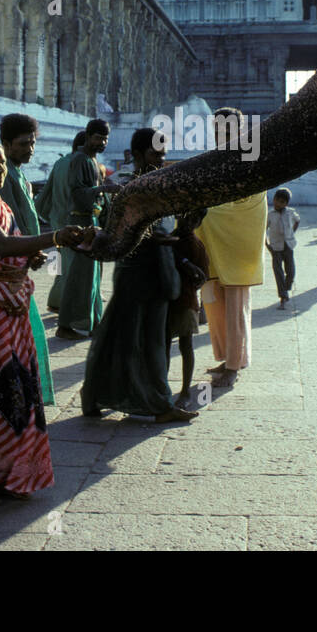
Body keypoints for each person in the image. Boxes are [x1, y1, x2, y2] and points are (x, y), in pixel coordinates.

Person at [0, 138, 87, 505]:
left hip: (4, 303)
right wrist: (55, 237)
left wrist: (30, 257)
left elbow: (11, 246)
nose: (1, 170)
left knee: (15, 387)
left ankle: (3, 473)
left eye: (3, 163)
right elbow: (2, 246)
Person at [81, 129, 198, 423]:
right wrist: (160, 240)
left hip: (154, 271)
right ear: (136, 155)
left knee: (128, 336)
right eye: (154, 154)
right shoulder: (131, 190)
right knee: (146, 340)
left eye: (162, 154)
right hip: (140, 272)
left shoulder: (153, 187)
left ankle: (94, 395)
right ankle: (160, 404)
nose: (160, 159)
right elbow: (118, 234)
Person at [198, 108, 267, 389]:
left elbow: (252, 206)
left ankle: (233, 367)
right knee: (215, 306)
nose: (221, 137)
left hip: (237, 247)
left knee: (236, 309)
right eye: (216, 131)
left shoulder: (249, 160)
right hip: (213, 244)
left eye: (226, 132)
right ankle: (226, 357)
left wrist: (206, 213)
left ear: (240, 131)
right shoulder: (213, 161)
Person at [0, 113, 55, 406]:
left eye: (31, 143)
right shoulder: (2, 175)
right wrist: (31, 249)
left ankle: (22, 394)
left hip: (21, 265)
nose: (29, 149)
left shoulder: (18, 172)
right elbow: (9, 223)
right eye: (22, 144)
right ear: (5, 144)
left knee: (25, 336)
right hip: (7, 269)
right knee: (15, 338)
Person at [57, 120, 120, 339]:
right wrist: (103, 188)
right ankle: (64, 326)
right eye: (98, 138)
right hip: (80, 223)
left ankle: (94, 324)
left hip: (92, 224)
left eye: (105, 139)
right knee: (79, 279)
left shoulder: (93, 161)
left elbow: (98, 196)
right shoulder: (79, 160)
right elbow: (78, 192)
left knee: (92, 279)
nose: (102, 143)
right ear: (88, 136)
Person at [34, 130, 87, 312]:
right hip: (76, 221)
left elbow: (42, 198)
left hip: (58, 220)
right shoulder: (84, 164)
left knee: (63, 265)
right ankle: (68, 309)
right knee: (73, 267)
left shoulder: (60, 163)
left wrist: (50, 218)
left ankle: (57, 301)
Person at [167, 209, 209, 409]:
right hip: (170, 300)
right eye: (186, 215)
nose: (188, 221)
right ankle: (163, 387)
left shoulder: (195, 245)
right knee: (165, 345)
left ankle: (185, 391)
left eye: (194, 219)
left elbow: (203, 276)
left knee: (186, 345)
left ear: (199, 222)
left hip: (186, 302)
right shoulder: (170, 239)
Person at [267, 188, 300, 309]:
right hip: (275, 246)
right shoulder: (270, 215)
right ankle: (283, 295)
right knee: (278, 271)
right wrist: (267, 244)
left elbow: (297, 220)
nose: (278, 203)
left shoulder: (290, 212)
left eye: (281, 202)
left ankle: (287, 286)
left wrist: (292, 234)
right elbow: (264, 229)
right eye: (276, 200)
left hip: (288, 245)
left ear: (286, 203)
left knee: (290, 271)